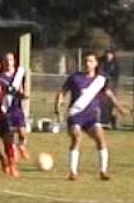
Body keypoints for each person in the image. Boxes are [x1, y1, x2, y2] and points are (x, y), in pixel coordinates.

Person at [55, 52, 128, 181]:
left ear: (96, 63)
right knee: (77, 137)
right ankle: (73, 172)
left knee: (100, 137)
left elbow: (109, 95)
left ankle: (103, 171)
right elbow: (62, 92)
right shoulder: (75, 78)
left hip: (91, 116)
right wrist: (58, 105)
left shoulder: (101, 80)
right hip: (75, 115)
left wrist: (119, 108)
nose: (87, 64)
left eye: (90, 61)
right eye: (85, 61)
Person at [0, 52, 31, 161]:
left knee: (22, 132)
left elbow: (23, 92)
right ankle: (13, 152)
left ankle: (21, 145)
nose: (8, 62)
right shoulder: (0, 77)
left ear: (14, 62)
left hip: (17, 108)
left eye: (11, 60)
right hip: (6, 109)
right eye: (6, 60)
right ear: (3, 62)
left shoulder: (17, 76)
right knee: (10, 133)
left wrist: (23, 94)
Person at [100, 50, 121, 129]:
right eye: (107, 54)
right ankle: (104, 122)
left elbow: (116, 75)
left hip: (112, 86)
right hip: (102, 86)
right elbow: (100, 72)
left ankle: (114, 123)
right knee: (103, 104)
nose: (108, 56)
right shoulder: (101, 62)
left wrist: (112, 84)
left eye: (110, 54)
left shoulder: (115, 63)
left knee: (112, 105)